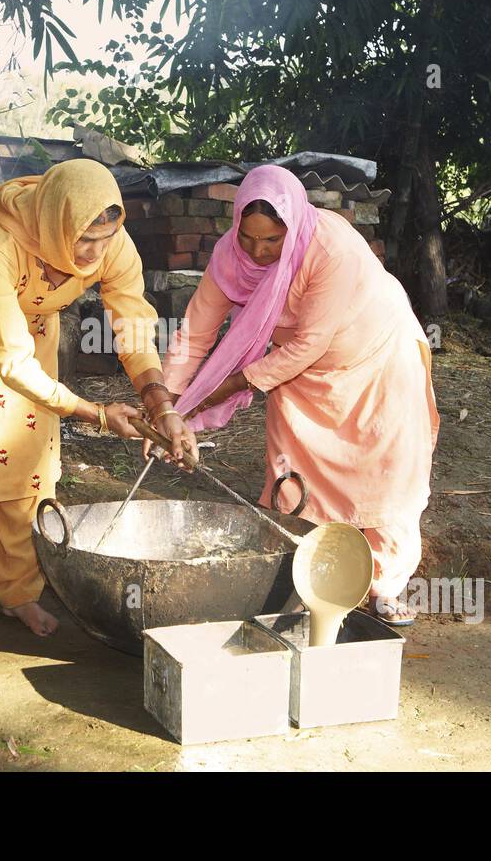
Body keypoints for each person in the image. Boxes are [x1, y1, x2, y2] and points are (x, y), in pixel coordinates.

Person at [0, 159, 197, 637]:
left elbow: (134, 325)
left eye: (104, 241)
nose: (93, 253)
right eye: (84, 239)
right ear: (55, 221)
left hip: (30, 325)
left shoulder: (111, 241)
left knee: (28, 457)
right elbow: (13, 364)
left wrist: (161, 407)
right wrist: (96, 415)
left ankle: (17, 595)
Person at [160, 165, 439, 624]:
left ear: (292, 225)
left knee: (385, 471)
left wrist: (226, 386)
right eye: (248, 238)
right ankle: (308, 573)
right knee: (293, 471)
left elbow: (312, 341)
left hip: (379, 361)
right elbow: (194, 334)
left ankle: (383, 584)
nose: (259, 251)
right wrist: (168, 406)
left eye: (272, 240)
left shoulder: (331, 247)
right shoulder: (231, 258)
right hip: (299, 375)